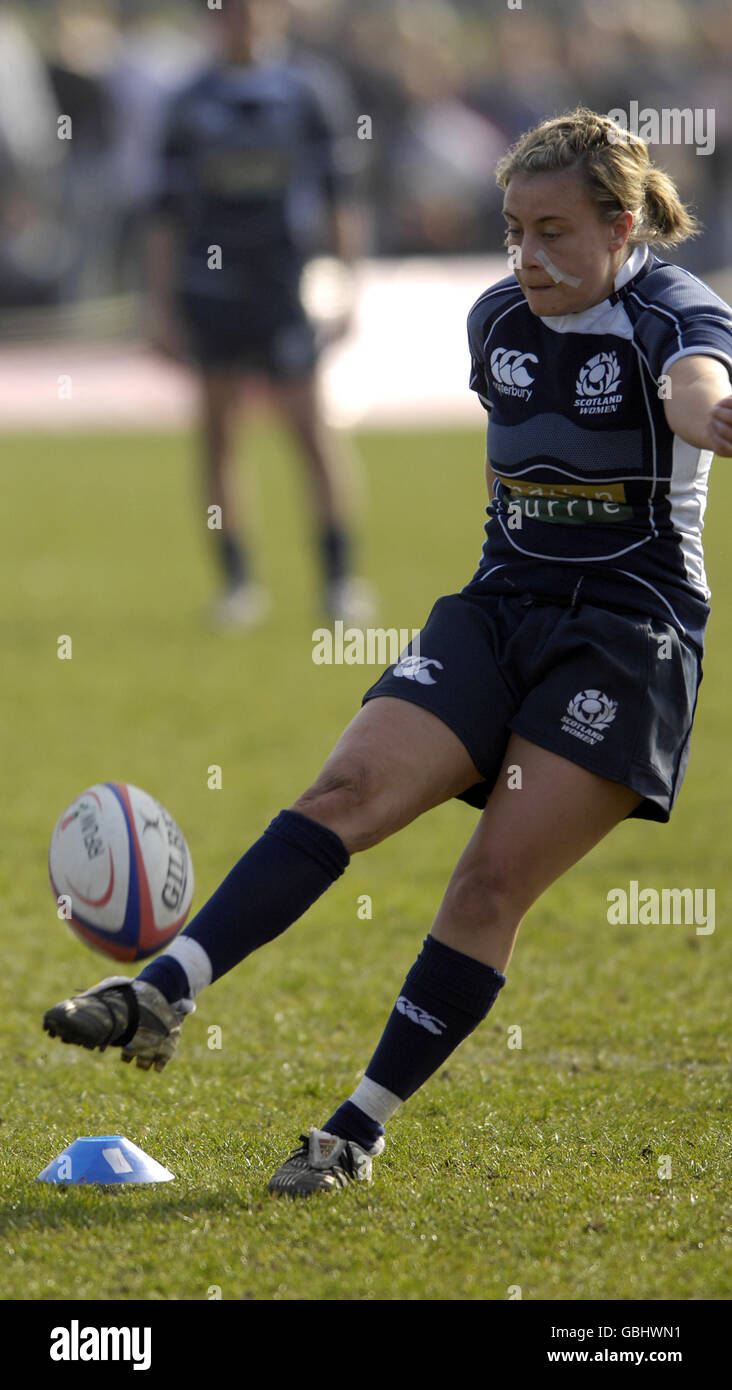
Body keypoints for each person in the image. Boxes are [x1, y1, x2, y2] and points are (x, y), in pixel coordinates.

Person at [44, 109, 732, 1197]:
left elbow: (695, 388)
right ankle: (163, 989)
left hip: (627, 633)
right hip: (499, 607)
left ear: (625, 222)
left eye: (555, 230)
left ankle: (356, 1126)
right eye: (514, 229)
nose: (529, 255)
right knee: (346, 790)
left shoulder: (676, 309)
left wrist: (713, 415)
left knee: (487, 882)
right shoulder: (495, 317)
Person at [146, 0, 371, 626]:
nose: (244, 19)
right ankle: (238, 585)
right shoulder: (186, 101)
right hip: (210, 288)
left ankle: (339, 580)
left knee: (310, 430)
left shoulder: (307, 91)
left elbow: (338, 194)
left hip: (284, 287)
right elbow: (162, 212)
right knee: (218, 435)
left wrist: (350, 282)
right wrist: (159, 304)